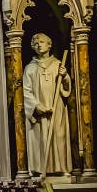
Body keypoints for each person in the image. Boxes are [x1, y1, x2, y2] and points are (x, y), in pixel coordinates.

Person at [23, 33, 72, 176]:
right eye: (35, 43)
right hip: (39, 112)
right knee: (40, 140)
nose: (39, 45)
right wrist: (36, 107)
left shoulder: (58, 65)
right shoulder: (30, 68)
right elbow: (26, 91)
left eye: (42, 42)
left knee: (59, 136)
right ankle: (40, 169)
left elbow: (66, 89)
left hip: (56, 109)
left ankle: (61, 168)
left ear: (49, 45)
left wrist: (65, 77)